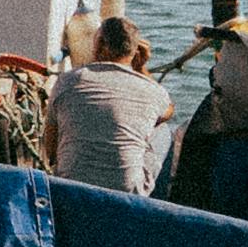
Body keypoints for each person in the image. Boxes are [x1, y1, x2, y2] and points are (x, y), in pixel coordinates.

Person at [51, 15, 175, 196]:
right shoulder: (151, 90)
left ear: (100, 44)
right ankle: (157, 203)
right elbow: (167, 111)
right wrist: (141, 69)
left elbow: (50, 151)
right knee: (163, 131)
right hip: (128, 192)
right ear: (135, 51)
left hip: (69, 186)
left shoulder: (67, 81)